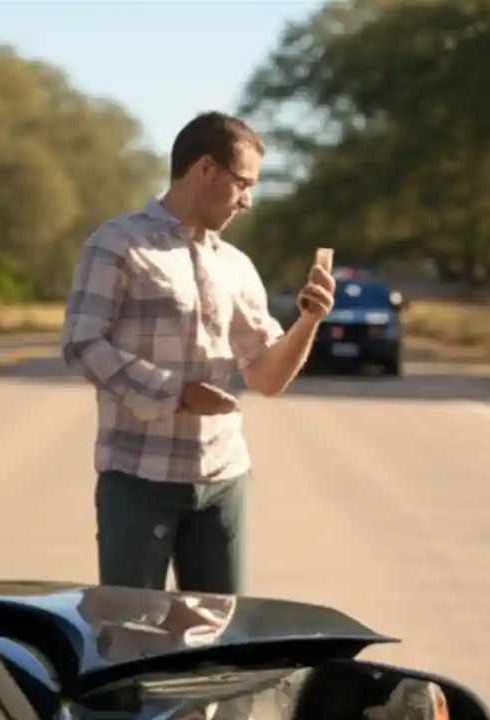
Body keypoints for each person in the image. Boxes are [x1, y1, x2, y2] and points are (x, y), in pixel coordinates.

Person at [60, 111, 335, 595]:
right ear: (205, 169)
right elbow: (82, 344)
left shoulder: (236, 266)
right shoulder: (118, 245)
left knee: (221, 643)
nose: (248, 201)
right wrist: (177, 394)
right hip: (138, 479)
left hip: (224, 482)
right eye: (243, 184)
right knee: (132, 638)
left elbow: (267, 378)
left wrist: (309, 320)